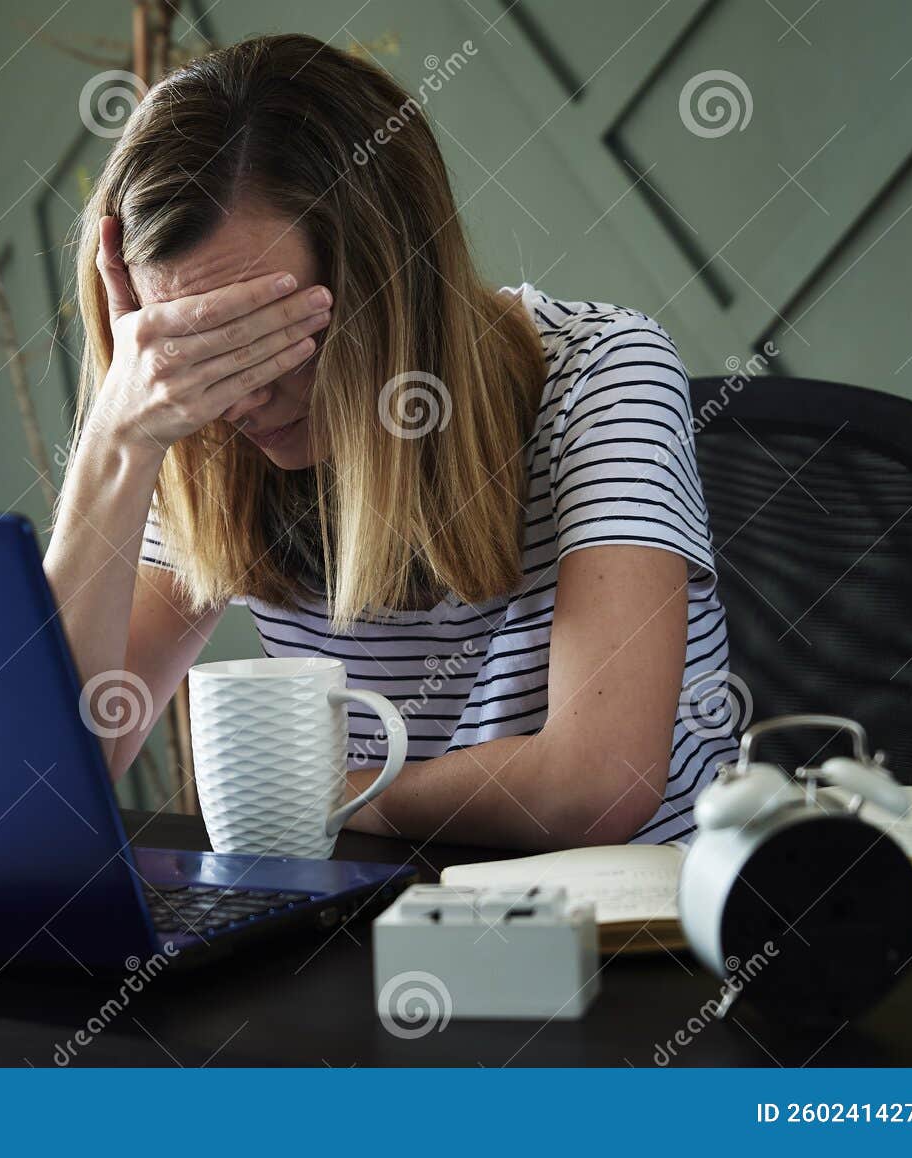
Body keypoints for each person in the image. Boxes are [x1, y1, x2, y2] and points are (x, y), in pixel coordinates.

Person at [45, 33, 739, 849]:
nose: (241, 393)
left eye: (271, 336)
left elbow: (596, 784)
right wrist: (118, 441)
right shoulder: (196, 421)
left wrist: (326, 796)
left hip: (631, 938)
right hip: (369, 926)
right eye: (199, 349)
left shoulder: (604, 373)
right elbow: (58, 768)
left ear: (396, 279)